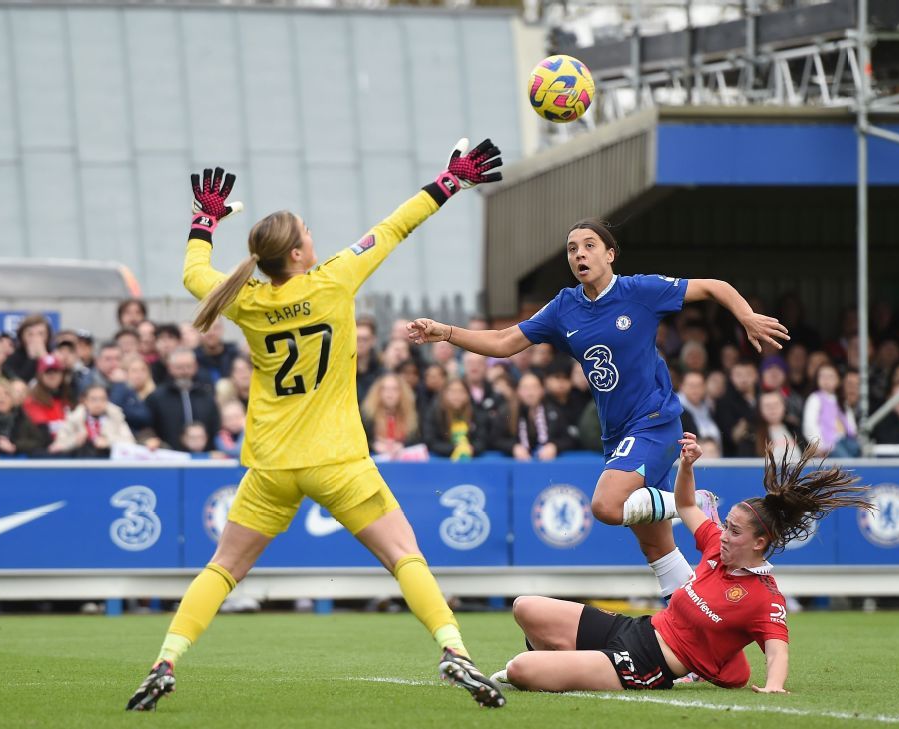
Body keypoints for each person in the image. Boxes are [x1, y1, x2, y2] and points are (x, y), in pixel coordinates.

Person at [128, 149, 508, 711]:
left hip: (272, 465)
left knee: (224, 568)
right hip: (337, 460)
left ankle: (166, 659)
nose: (314, 235)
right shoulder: (333, 280)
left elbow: (193, 275)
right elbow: (395, 227)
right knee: (405, 556)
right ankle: (454, 649)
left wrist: (203, 221)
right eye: (307, 232)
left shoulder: (248, 300)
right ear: (300, 253)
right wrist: (450, 181)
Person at [408, 219, 788, 601]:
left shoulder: (639, 290)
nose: (579, 254)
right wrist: (447, 332)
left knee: (607, 505)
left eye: (589, 246)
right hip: (617, 434)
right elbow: (506, 341)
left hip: (654, 422)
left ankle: (690, 503)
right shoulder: (564, 307)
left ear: (610, 255)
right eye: (572, 249)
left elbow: (713, 286)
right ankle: (693, 627)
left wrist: (746, 316)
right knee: (656, 549)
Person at [495, 432, 871, 694]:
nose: (723, 534)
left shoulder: (764, 598)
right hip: (637, 629)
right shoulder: (713, 547)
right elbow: (688, 505)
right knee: (525, 607)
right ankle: (567, 660)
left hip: (648, 663)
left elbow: (777, 649)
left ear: (760, 543)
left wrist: (774, 686)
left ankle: (562, 663)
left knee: (519, 670)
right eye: (725, 526)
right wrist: (687, 465)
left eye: (735, 532)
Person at [360, 373, 421, 460]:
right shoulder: (368, 416)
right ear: (378, 392)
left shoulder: (410, 415)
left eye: (395, 389)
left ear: (401, 393)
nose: (390, 393)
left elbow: (418, 439)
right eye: (385, 389)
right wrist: (373, 445)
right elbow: (358, 441)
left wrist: (402, 446)